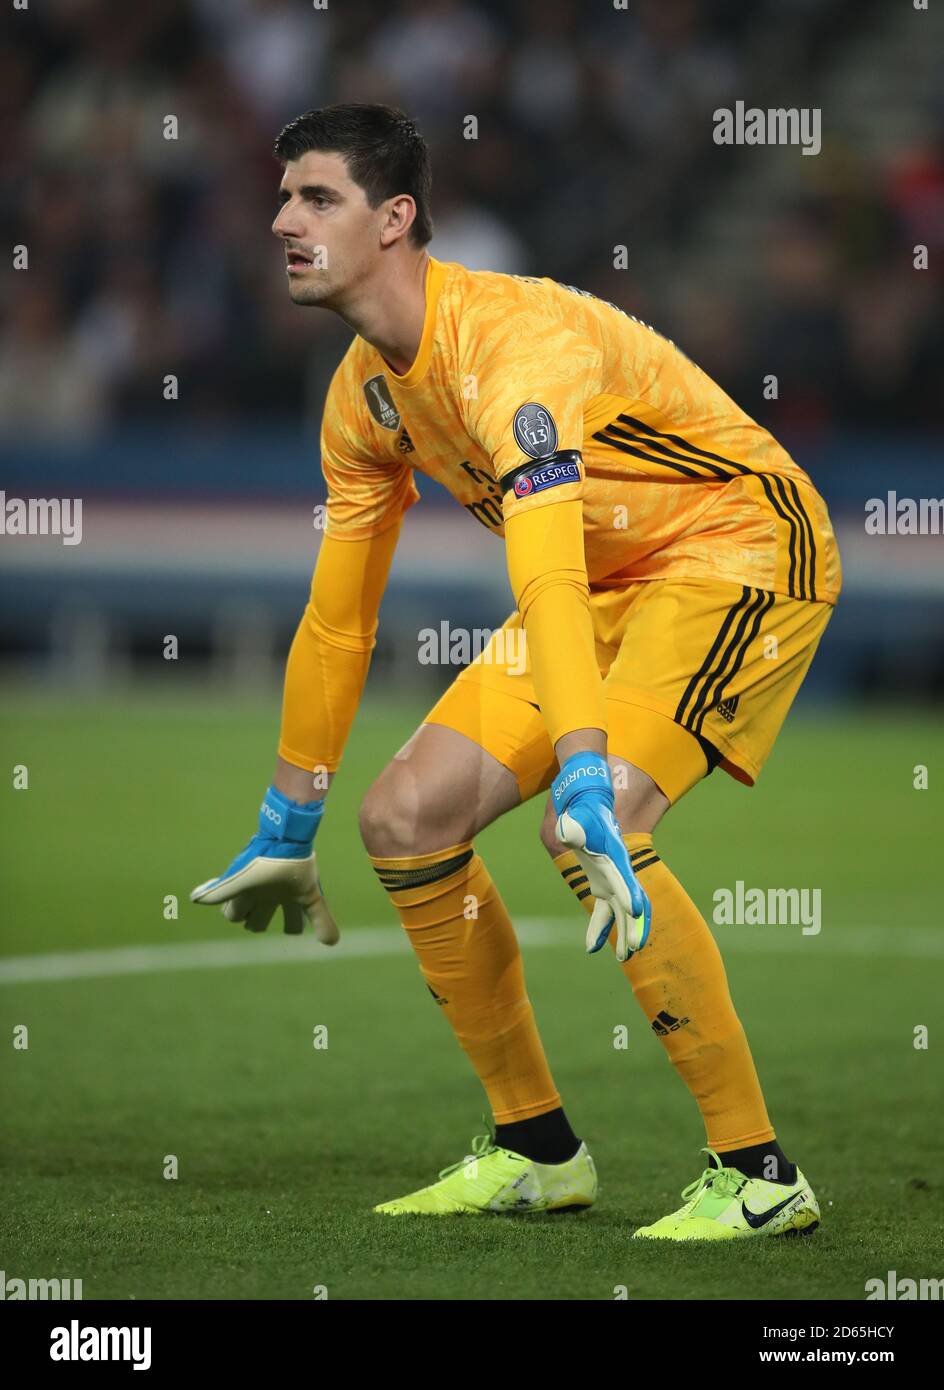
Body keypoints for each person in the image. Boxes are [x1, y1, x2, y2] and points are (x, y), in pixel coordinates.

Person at [193, 103, 840, 1240]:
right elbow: (339, 617)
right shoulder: (364, 397)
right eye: (283, 197)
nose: (284, 221)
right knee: (402, 818)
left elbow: (539, 567)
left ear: (395, 219)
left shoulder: (510, 342)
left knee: (591, 829)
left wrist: (583, 769)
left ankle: (759, 1172)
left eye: (317, 198)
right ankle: (534, 1148)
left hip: (737, 548)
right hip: (603, 580)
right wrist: (288, 814)